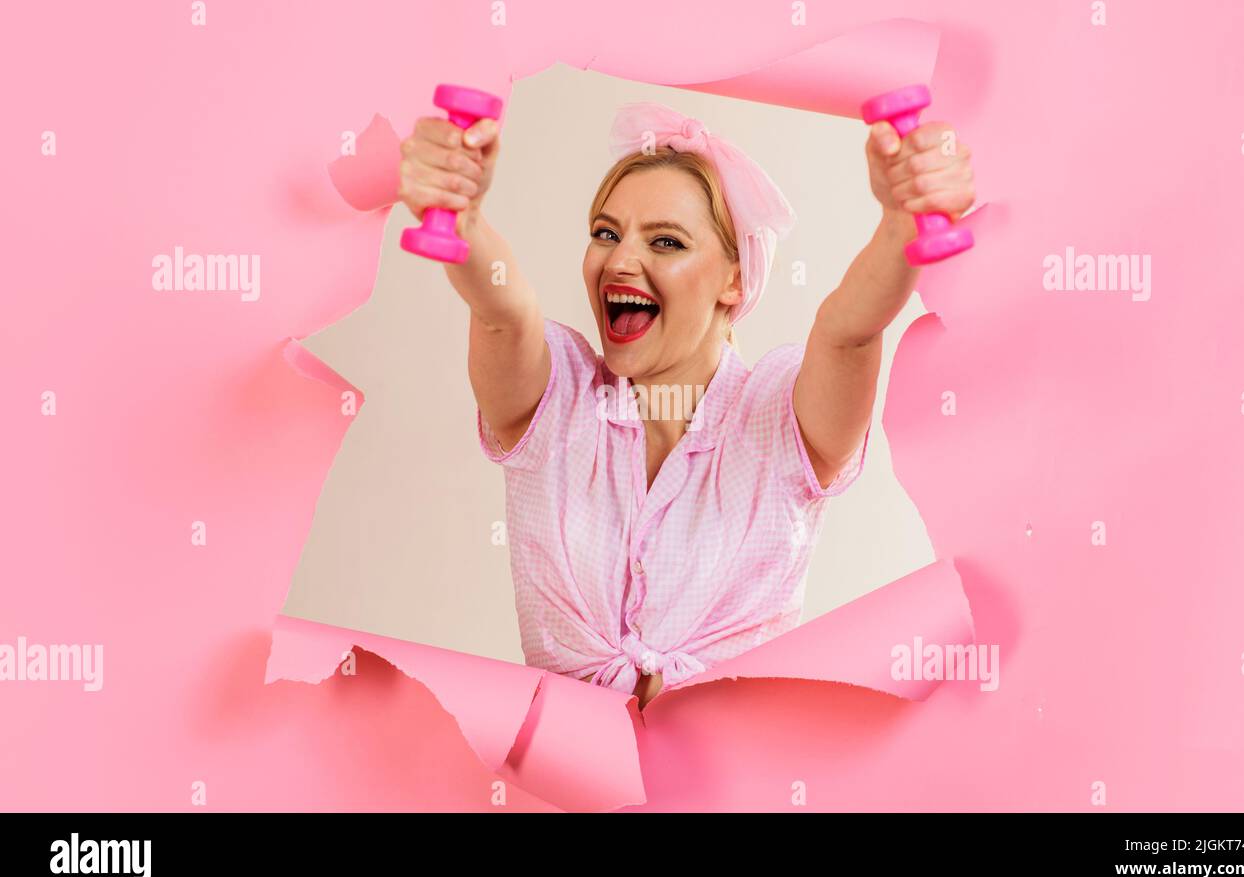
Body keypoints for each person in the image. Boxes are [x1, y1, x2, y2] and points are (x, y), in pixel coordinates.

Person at [397, 100, 975, 709]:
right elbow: (503, 315)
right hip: (558, 795)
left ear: (735, 280)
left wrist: (901, 227)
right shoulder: (554, 399)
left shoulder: (780, 418)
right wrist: (460, 221)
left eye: (666, 242)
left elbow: (847, 331)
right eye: (605, 233)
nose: (619, 261)